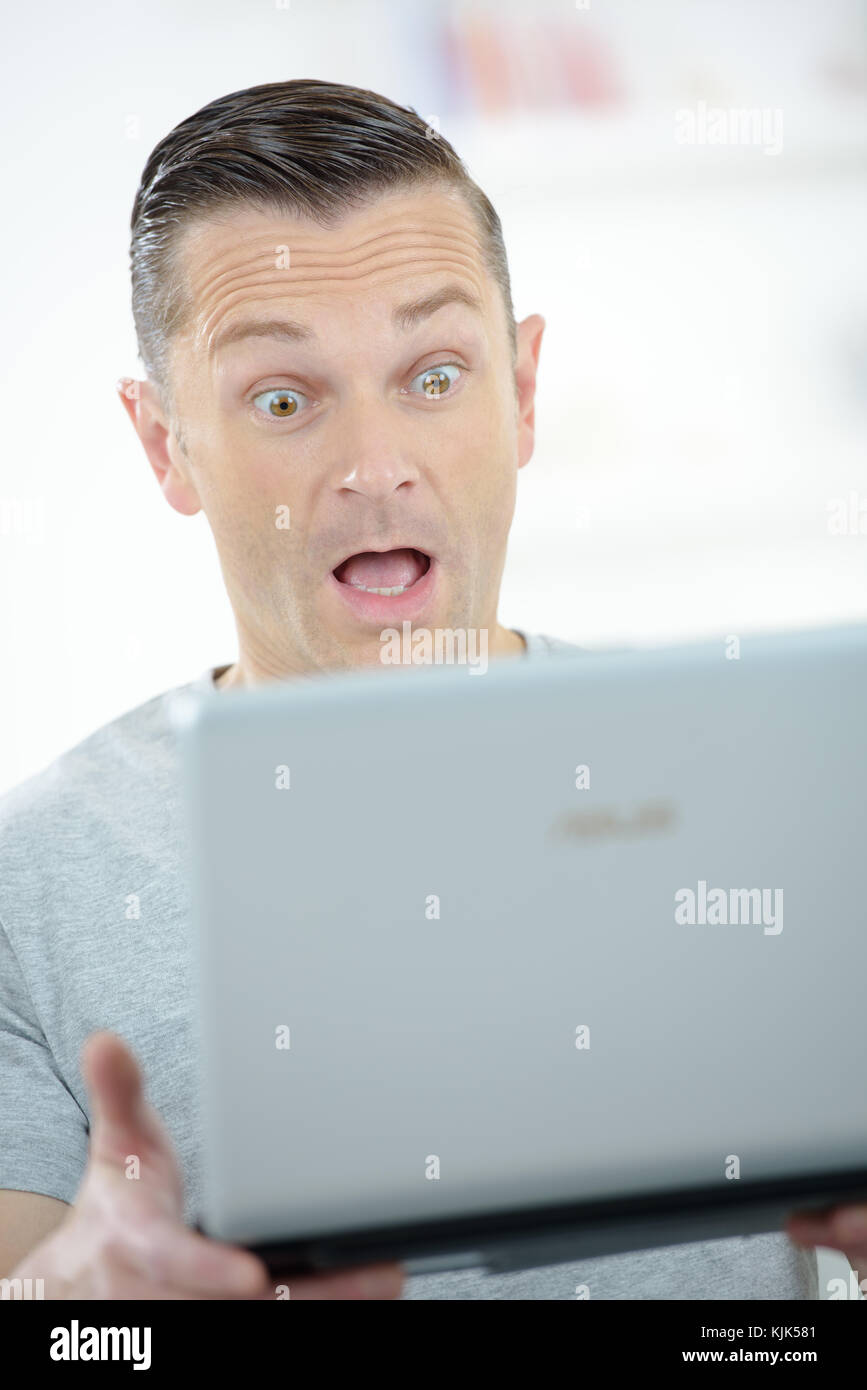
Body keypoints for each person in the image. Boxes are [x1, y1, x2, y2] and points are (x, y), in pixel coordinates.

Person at [0, 79, 855, 1300]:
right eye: (283, 398)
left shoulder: (770, 791)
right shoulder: (28, 884)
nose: (375, 466)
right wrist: (70, 1313)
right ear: (165, 444)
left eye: (436, 375)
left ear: (524, 392)